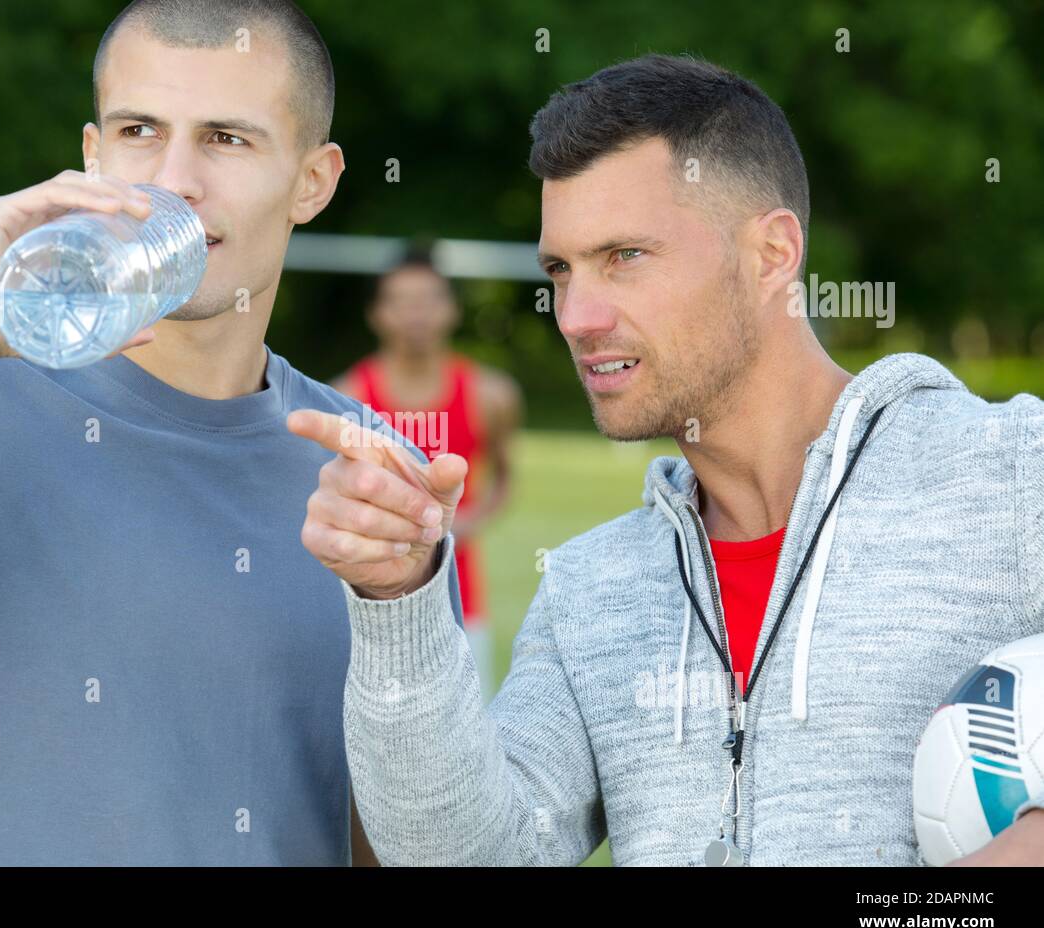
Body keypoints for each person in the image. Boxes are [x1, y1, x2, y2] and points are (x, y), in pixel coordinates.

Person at [0, 0, 460, 866]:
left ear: (314, 179)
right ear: (92, 154)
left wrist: (396, 599)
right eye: (140, 130)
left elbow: (401, 847)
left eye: (228, 139)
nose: (175, 179)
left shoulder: (374, 481)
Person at [288, 54, 1044, 865]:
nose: (575, 316)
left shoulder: (1010, 475)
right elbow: (461, 858)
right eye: (560, 270)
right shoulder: (591, 593)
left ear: (772, 253)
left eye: (625, 257)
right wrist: (397, 596)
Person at [332, 251, 521, 699]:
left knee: (468, 740)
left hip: (461, 598)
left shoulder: (490, 395)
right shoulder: (347, 398)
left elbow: (505, 478)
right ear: (377, 313)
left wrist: (471, 521)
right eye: (402, 301)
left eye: (429, 299)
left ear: (452, 308)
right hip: (368, 602)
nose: (416, 314)